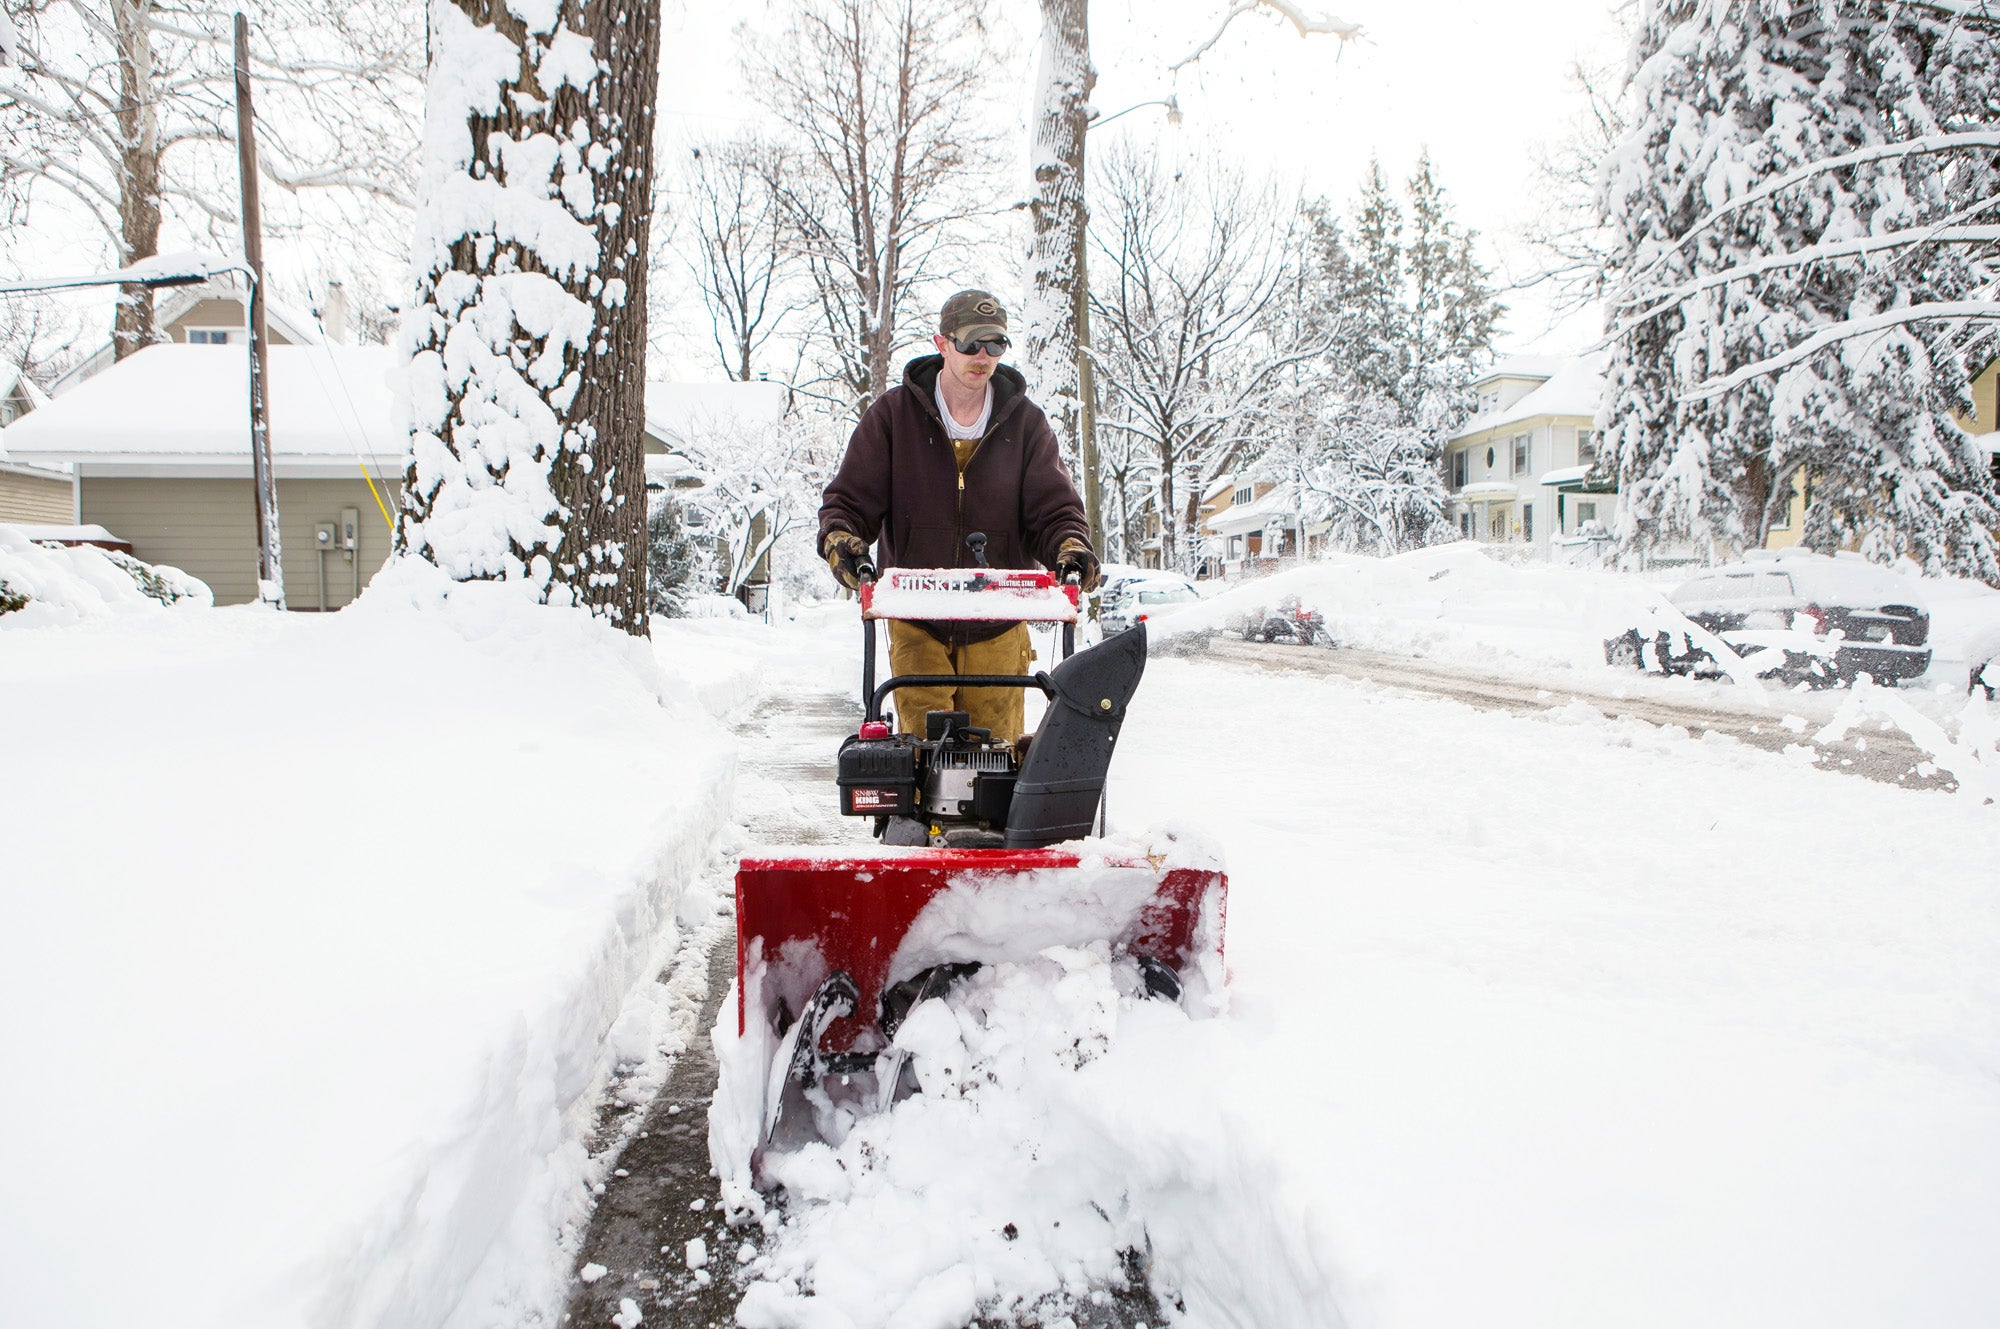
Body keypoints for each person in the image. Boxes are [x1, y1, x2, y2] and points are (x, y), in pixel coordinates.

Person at [819, 288, 1101, 740]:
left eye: (996, 344)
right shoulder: (894, 417)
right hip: (917, 615)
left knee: (996, 754)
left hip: (999, 618)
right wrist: (841, 539)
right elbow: (849, 502)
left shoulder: (1025, 424)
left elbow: (1054, 510)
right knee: (926, 749)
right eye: (971, 343)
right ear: (943, 343)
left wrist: (1070, 546)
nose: (983, 356)